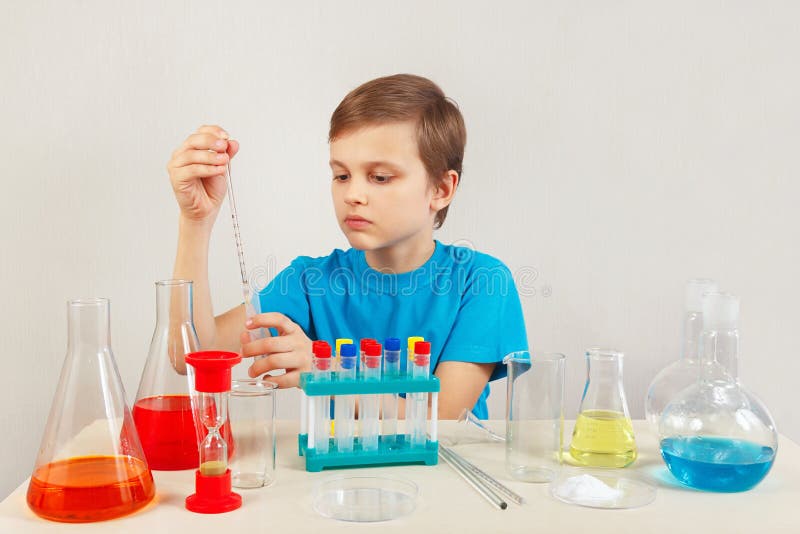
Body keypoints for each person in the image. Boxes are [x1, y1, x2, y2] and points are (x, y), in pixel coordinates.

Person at [167, 73, 527, 418]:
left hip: (444, 478)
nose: (352, 194)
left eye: (380, 177)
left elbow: (445, 416)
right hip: (339, 480)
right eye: (341, 175)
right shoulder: (311, 283)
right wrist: (196, 222)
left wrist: (326, 372)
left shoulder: (480, 281)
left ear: (441, 190)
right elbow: (191, 354)